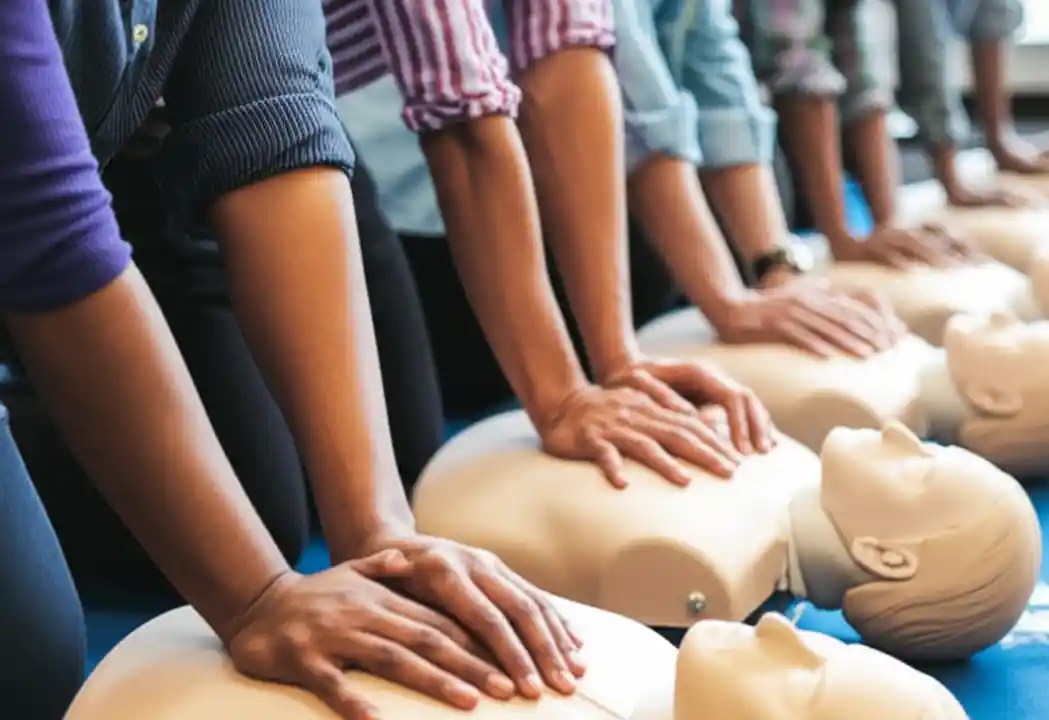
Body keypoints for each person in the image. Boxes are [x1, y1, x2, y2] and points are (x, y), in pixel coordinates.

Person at [2, 0, 610, 716]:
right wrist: (257, 596)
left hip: (81, 186)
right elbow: (43, 224)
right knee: (26, 665)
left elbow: (272, 114)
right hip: (39, 212)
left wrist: (379, 534)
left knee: (367, 466)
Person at [323, 0, 775, 487]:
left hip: (451, 142)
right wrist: (562, 400)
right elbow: (458, 103)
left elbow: (566, 40)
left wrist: (619, 360)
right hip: (315, 153)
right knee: (381, 466)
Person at [609, 0, 910, 357]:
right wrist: (726, 300)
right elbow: (632, 89)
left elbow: (715, 68)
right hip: (587, 204)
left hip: (689, 180)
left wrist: (778, 267)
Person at [741, 0, 1049, 228]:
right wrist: (851, 233)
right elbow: (802, 62)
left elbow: (859, 49)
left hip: (815, 96)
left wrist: (1000, 143)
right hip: (754, 122)